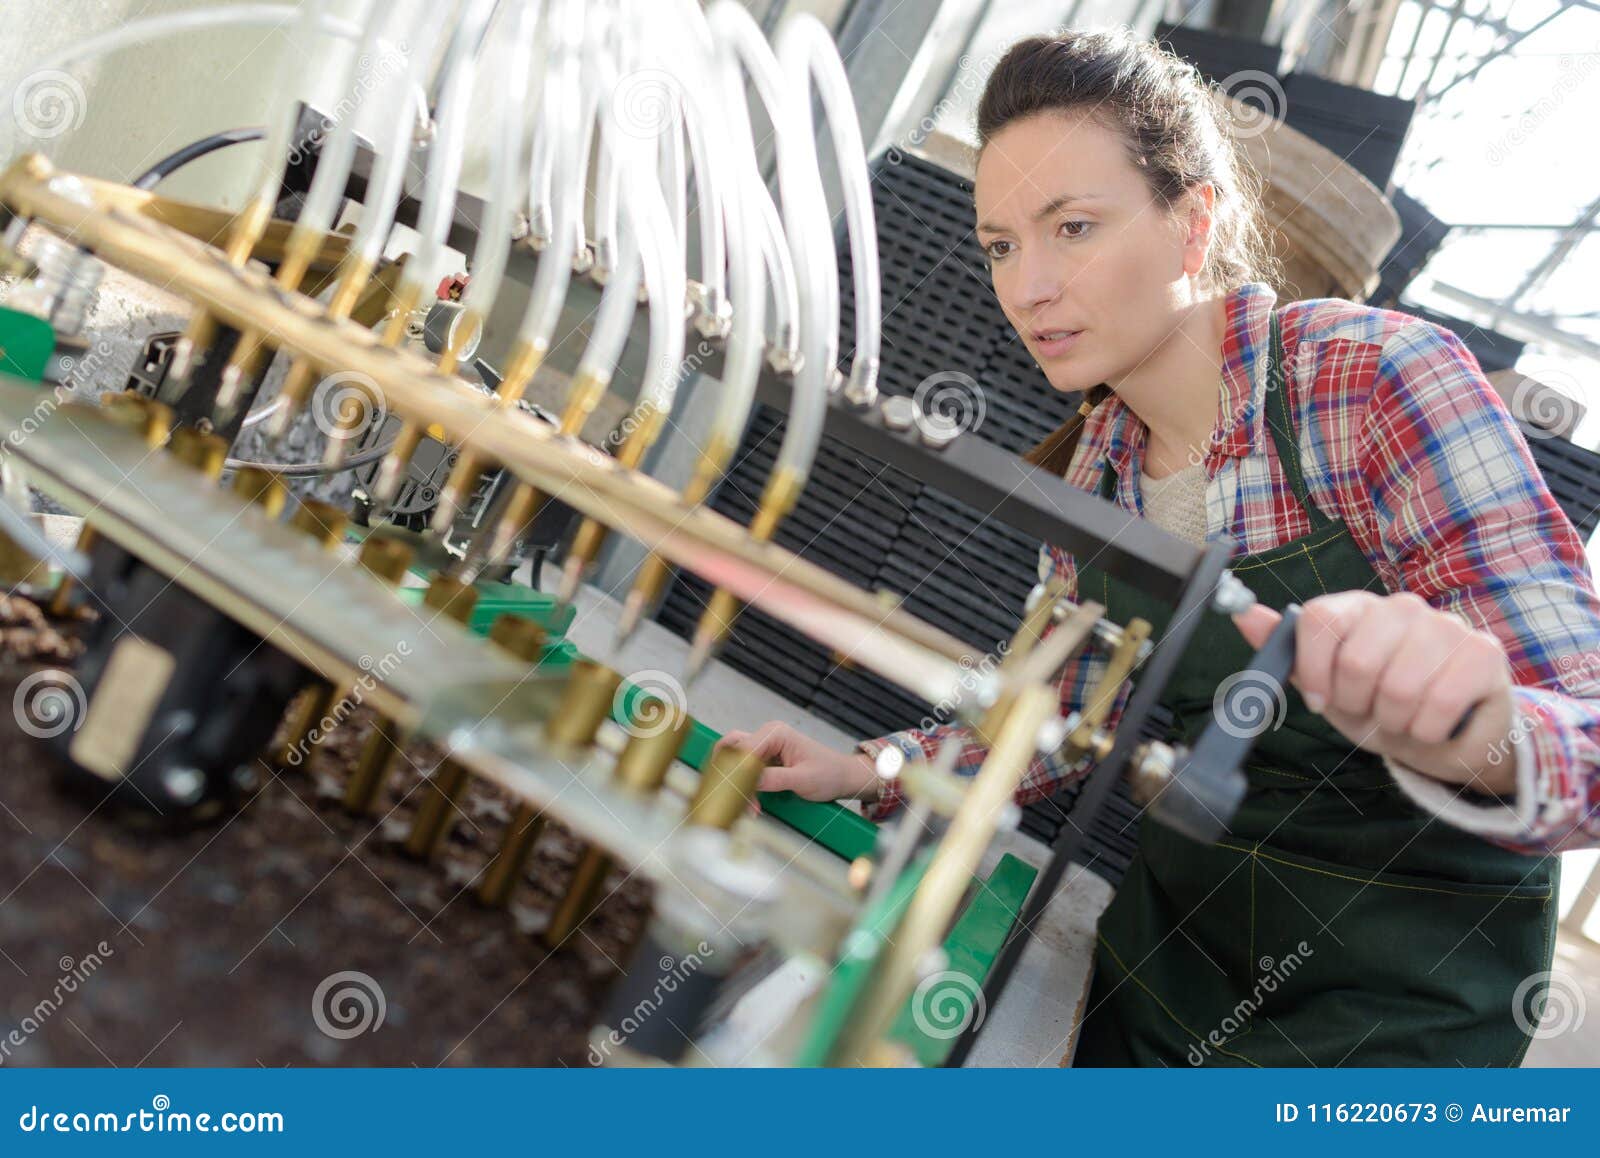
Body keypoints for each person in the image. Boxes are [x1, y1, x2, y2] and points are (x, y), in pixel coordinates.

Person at [716, 29, 1600, 1066]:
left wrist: (1473, 732)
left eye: (1074, 227)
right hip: (1161, 982)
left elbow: (1586, 739)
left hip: (1394, 1026)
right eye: (1000, 245)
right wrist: (871, 766)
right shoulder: (1092, 469)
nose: (1027, 287)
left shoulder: (1373, 381)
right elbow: (1054, 712)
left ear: (1192, 225)